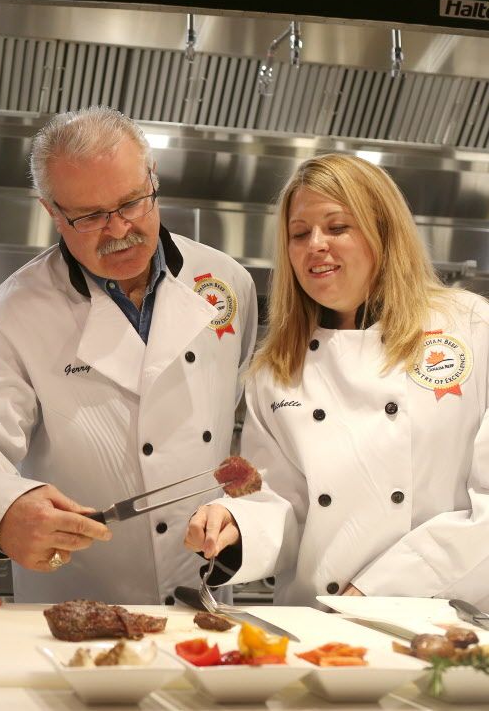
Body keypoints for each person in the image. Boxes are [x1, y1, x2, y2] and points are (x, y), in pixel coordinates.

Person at [0, 106, 257, 604]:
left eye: (131, 203)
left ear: (153, 180)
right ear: (52, 212)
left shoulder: (228, 283)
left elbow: (248, 425)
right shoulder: (13, 313)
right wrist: (6, 510)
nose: (119, 229)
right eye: (91, 216)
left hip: (203, 599)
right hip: (76, 604)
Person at [185, 153, 489, 609]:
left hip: (436, 615)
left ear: (383, 231)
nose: (316, 245)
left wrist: (374, 591)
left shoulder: (471, 328)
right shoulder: (276, 369)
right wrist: (237, 525)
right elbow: (284, 503)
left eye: (337, 227)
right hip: (316, 623)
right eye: (299, 233)